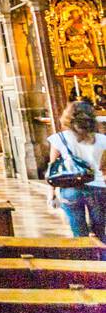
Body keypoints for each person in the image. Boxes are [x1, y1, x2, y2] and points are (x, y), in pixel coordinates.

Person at [48, 100, 106, 242]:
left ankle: (84, 254)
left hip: (70, 188)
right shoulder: (102, 139)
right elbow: (104, 167)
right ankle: (101, 254)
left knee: (78, 232)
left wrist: (51, 193)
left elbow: (53, 168)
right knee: (100, 232)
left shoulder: (59, 138)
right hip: (97, 186)